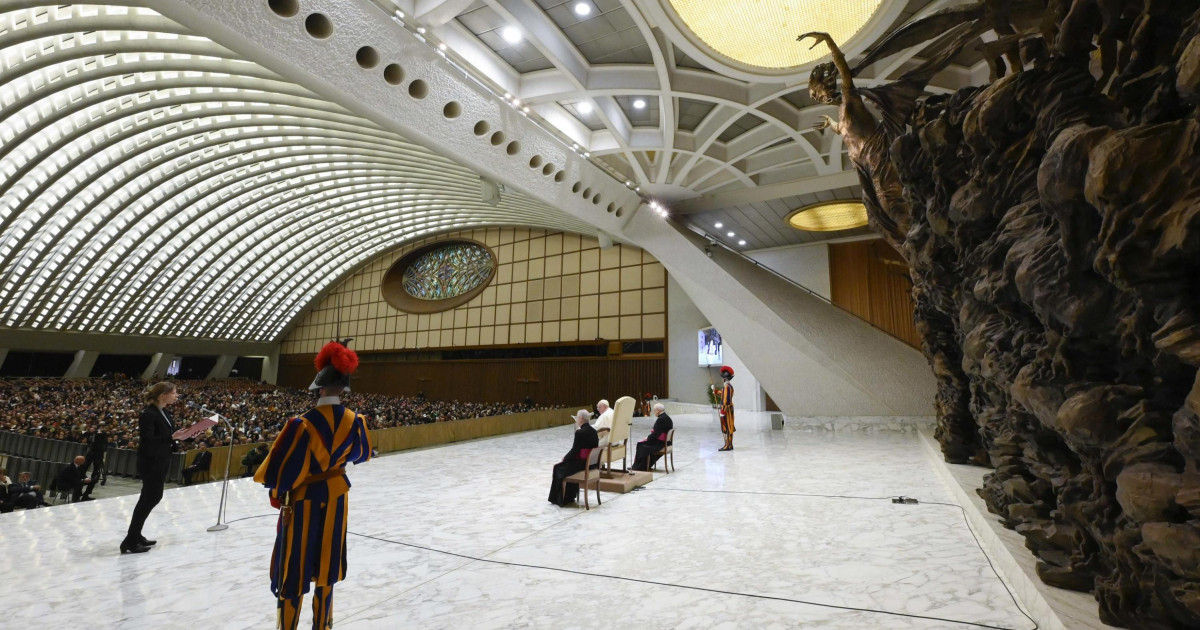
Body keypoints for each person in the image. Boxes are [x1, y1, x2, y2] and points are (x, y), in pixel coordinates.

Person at [255, 340, 373, 630]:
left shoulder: (301, 424)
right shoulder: (356, 421)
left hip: (304, 500)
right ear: (343, 389)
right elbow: (362, 454)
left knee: (294, 565)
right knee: (327, 565)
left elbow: (281, 472)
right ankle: (323, 625)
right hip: (337, 498)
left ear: (319, 389)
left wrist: (277, 493)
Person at [121, 382, 178, 554]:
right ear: (162, 396)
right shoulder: (149, 414)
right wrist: (171, 437)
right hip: (151, 461)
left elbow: (167, 436)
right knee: (151, 498)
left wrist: (181, 437)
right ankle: (130, 541)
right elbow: (148, 440)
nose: (176, 396)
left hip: (162, 459)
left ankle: (135, 536)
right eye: (174, 393)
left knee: (149, 498)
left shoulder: (164, 412)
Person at [548, 409, 599, 506]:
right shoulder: (593, 431)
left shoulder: (580, 433)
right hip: (592, 464)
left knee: (558, 468)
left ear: (580, 418)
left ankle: (560, 498)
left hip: (582, 463)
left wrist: (565, 458)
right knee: (566, 466)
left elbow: (575, 450)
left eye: (577, 418)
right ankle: (570, 496)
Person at [632, 403, 673, 471]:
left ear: (658, 410)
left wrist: (647, 439)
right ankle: (645, 465)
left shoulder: (661, 419)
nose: (654, 412)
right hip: (666, 442)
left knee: (640, 445)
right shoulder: (667, 417)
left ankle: (639, 467)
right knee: (644, 444)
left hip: (660, 443)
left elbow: (655, 434)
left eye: (654, 411)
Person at [714, 365, 735, 451]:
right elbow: (723, 394)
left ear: (725, 379)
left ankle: (727, 445)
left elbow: (726, 400)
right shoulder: (728, 387)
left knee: (726, 427)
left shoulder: (726, 387)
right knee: (729, 426)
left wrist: (723, 411)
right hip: (729, 409)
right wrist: (715, 391)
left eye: (723, 378)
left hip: (726, 410)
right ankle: (730, 444)